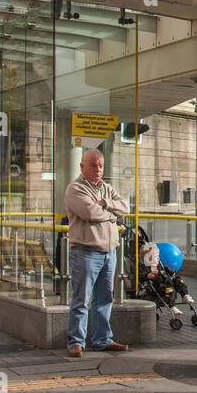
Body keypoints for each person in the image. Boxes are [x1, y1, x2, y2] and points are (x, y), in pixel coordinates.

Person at [65, 148, 131, 357]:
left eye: (101, 165)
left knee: (104, 298)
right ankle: (76, 342)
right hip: (85, 252)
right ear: (82, 166)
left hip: (109, 252)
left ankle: (102, 340)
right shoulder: (75, 189)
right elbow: (88, 213)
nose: (98, 169)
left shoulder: (107, 189)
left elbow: (126, 207)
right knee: (81, 299)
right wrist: (112, 216)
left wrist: (105, 204)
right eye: (93, 165)